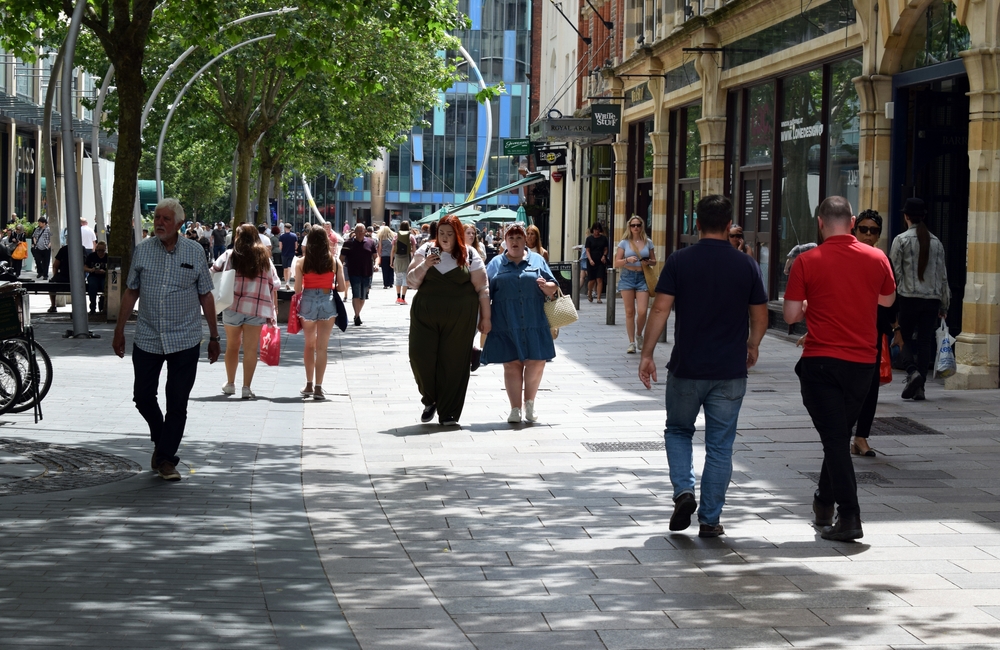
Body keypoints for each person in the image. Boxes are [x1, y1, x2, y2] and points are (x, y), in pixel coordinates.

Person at [639, 195, 768, 539]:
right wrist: (753, 345)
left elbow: (661, 310)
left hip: (686, 367)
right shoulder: (746, 265)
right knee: (720, 445)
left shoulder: (681, 260)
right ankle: (710, 519)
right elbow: (759, 314)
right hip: (729, 370)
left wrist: (647, 353)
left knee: (679, 431)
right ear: (729, 226)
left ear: (696, 224)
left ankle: (684, 490)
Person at [784, 196, 896, 541]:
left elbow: (789, 316)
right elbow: (887, 301)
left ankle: (849, 516)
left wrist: (806, 305)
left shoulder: (807, 261)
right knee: (837, 436)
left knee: (834, 439)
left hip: (821, 363)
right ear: (851, 222)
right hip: (862, 365)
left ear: (820, 223)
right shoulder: (878, 257)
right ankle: (823, 502)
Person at [112, 198, 220, 482]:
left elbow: (206, 295)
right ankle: (163, 444)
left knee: (177, 402)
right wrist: (119, 330)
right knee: (143, 397)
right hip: (147, 336)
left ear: (180, 224)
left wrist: (214, 335)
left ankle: (166, 459)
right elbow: (131, 291)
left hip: (184, 338)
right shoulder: (143, 251)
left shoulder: (195, 252)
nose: (159, 223)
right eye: (157, 217)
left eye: (166, 219)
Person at [406, 215, 490, 425]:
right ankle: (430, 399)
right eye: (441, 233)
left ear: (457, 235)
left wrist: (486, 318)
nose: (444, 237)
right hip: (425, 315)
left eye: (449, 234)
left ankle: (449, 411)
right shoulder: (425, 250)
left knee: (454, 363)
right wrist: (425, 265)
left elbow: (482, 288)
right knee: (419, 355)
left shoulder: (469, 254)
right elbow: (411, 282)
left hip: (460, 318)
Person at [480, 223, 559, 423]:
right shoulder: (496, 263)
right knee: (512, 364)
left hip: (535, 320)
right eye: (511, 238)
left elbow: (554, 287)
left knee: (536, 362)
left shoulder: (538, 260)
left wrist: (546, 286)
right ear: (505, 241)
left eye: (519, 237)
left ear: (526, 240)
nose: (515, 241)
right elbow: (484, 292)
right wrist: (484, 319)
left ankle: (529, 405)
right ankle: (515, 409)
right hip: (507, 321)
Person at [890, 197, 950, 401]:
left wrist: (890, 301)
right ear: (923, 216)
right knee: (925, 342)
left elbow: (895, 274)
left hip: (908, 298)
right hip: (931, 300)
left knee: (902, 337)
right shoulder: (937, 243)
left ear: (906, 216)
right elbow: (943, 276)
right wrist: (944, 303)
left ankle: (912, 371)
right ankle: (920, 387)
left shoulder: (901, 240)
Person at [211, 224, 280, 400]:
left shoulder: (229, 255)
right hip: (256, 308)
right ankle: (246, 387)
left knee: (232, 346)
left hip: (231, 306)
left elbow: (212, 272)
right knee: (250, 349)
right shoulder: (264, 257)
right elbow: (275, 283)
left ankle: (230, 383)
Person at [850, 210, 896, 456]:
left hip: (872, 332)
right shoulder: (844, 257)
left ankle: (861, 437)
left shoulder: (882, 259)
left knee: (870, 387)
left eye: (874, 231)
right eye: (864, 229)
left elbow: (891, 299)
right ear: (854, 230)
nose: (868, 235)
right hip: (844, 330)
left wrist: (895, 329)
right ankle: (840, 436)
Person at [294, 225, 346, 400]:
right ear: (326, 241)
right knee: (322, 347)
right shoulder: (334, 261)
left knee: (309, 345)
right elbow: (342, 287)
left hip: (307, 301)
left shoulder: (302, 262)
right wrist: (327, 285)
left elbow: (296, 289)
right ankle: (318, 387)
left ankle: (308, 384)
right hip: (327, 301)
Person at [614, 216, 656, 354]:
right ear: (629, 227)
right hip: (628, 276)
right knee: (629, 311)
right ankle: (631, 342)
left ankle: (639, 334)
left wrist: (648, 262)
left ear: (642, 226)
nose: (636, 228)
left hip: (643, 277)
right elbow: (616, 262)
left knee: (643, 311)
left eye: (638, 225)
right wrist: (627, 259)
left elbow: (654, 261)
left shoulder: (648, 242)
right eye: (633, 225)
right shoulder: (624, 243)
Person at [339, 223, 379, 326]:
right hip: (353, 272)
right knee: (356, 294)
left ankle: (357, 313)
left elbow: (376, 256)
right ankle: (357, 316)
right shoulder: (348, 243)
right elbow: (341, 258)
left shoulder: (370, 242)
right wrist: (339, 269)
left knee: (363, 296)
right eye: (358, 231)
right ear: (355, 232)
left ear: (365, 232)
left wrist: (377, 265)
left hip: (367, 272)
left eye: (362, 231)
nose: (360, 233)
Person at [391, 220, 417, 305]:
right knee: (405, 278)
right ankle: (403, 298)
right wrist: (414, 260)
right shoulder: (411, 236)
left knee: (398, 277)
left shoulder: (396, 236)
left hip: (398, 258)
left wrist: (391, 261)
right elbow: (414, 250)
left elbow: (393, 250)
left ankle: (398, 297)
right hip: (406, 258)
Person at [585, 223, 609, 303]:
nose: (596, 231)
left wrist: (604, 256)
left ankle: (598, 297)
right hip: (591, 260)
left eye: (598, 229)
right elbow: (587, 251)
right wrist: (590, 259)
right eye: (595, 229)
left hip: (600, 261)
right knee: (592, 280)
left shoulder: (604, 239)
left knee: (600, 279)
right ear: (593, 230)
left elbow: (606, 249)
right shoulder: (589, 239)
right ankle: (589, 292)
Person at [83, 241, 109, 313]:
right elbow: (84, 267)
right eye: (99, 250)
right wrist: (91, 270)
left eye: (102, 251)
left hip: (104, 277)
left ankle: (103, 304)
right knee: (92, 286)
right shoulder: (91, 256)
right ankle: (93, 306)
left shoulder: (107, 257)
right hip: (93, 275)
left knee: (105, 285)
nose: (100, 253)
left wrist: (105, 272)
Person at [279, 223, 298, 288]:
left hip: (284, 254)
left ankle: (286, 281)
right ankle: (288, 281)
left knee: (285, 268)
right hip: (292, 253)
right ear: (291, 228)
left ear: (285, 228)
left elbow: (280, 247)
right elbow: (296, 246)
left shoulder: (282, 236)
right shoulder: (294, 236)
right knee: (290, 267)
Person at [377, 224, 395, 289]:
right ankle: (391, 283)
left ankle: (385, 284)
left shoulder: (381, 238)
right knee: (391, 269)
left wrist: (379, 255)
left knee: (385, 270)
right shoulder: (393, 238)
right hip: (392, 256)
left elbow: (380, 248)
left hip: (384, 256)